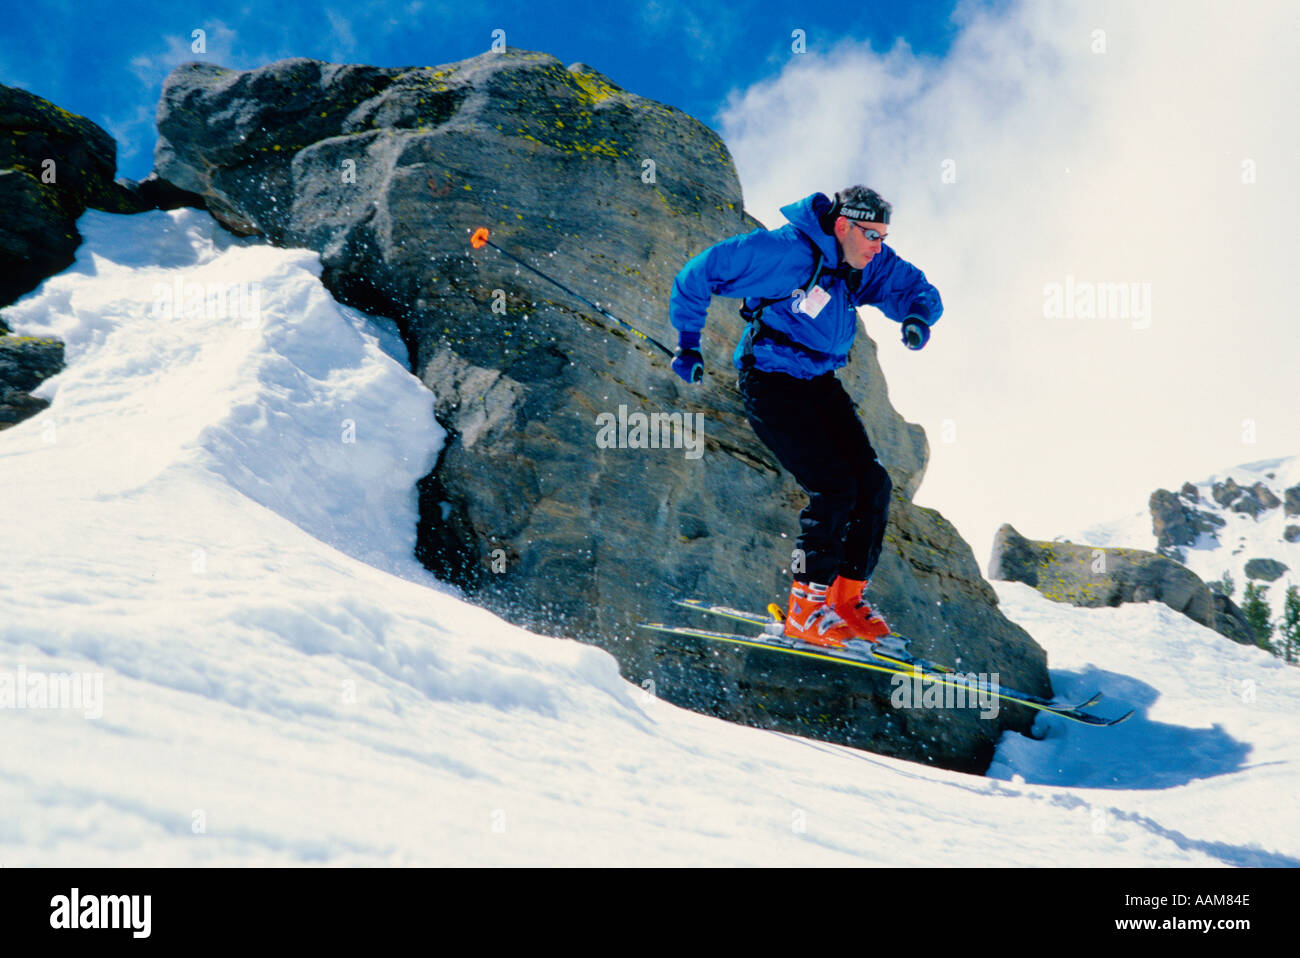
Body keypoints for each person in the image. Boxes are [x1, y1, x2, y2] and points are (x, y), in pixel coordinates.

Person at [668, 186, 943, 648]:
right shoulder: (783, 252)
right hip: (771, 384)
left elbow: (914, 288)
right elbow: (699, 273)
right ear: (843, 226)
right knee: (834, 487)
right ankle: (804, 609)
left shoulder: (862, 260)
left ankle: (844, 599)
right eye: (871, 234)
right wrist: (688, 342)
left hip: (819, 383)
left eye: (883, 235)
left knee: (872, 485)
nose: (878, 245)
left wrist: (917, 317)